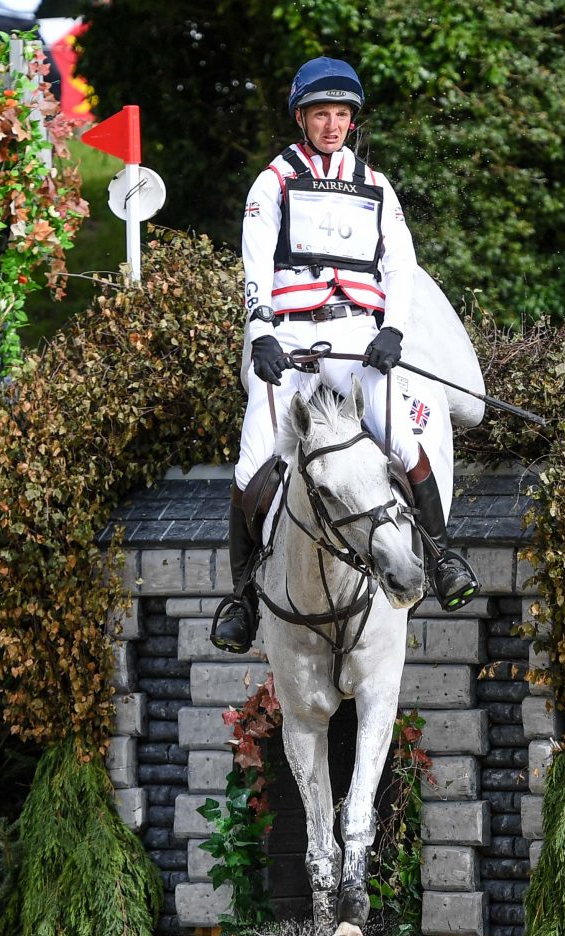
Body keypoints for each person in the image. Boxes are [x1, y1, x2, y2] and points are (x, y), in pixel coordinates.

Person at [210, 57, 478, 654]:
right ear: (301, 117)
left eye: (341, 115)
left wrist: (394, 329)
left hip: (357, 335)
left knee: (404, 443)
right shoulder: (272, 182)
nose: (331, 125)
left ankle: (443, 558)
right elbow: (255, 262)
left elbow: (399, 262)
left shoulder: (376, 185)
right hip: (292, 338)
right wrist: (261, 335)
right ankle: (241, 599)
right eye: (320, 114)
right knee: (252, 463)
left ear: (351, 121)